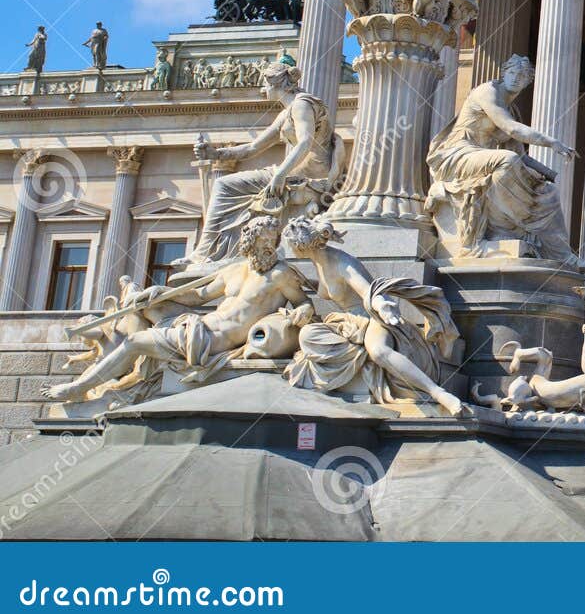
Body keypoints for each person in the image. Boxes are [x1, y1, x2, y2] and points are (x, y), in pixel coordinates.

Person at [46, 215, 311, 402]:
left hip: (211, 341)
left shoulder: (280, 275)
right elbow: (196, 297)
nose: (270, 246)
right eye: (264, 240)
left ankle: (80, 387)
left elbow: (303, 302)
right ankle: (123, 379)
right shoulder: (232, 270)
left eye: (273, 241)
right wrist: (158, 292)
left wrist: (303, 312)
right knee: (137, 306)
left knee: (135, 342)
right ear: (250, 242)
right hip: (197, 324)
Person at [281, 218, 467, 417]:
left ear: (299, 246)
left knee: (378, 351)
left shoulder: (342, 262)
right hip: (347, 321)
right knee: (308, 334)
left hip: (371, 317)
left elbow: (368, 291)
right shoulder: (318, 262)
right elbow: (327, 289)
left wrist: (382, 306)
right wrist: (302, 283)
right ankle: (354, 364)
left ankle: (440, 394)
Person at [425, 54, 579, 261]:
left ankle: (563, 255)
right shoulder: (487, 91)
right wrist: (551, 142)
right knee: (505, 161)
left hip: (481, 158)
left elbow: (521, 157)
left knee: (547, 190)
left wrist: (549, 174)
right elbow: (510, 128)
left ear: (528, 82)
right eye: (512, 73)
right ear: (504, 73)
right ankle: (503, 228)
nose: (516, 78)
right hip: (457, 155)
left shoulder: (510, 109)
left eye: (522, 76)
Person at [191, 62, 341, 265]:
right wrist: (216, 153)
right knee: (225, 186)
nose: (264, 90)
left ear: (276, 83)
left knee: (223, 185)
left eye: (266, 85)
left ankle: (204, 252)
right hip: (294, 172)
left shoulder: (301, 105)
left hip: (307, 175)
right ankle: (213, 251)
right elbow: (253, 148)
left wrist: (280, 175)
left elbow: (305, 141)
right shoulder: (287, 112)